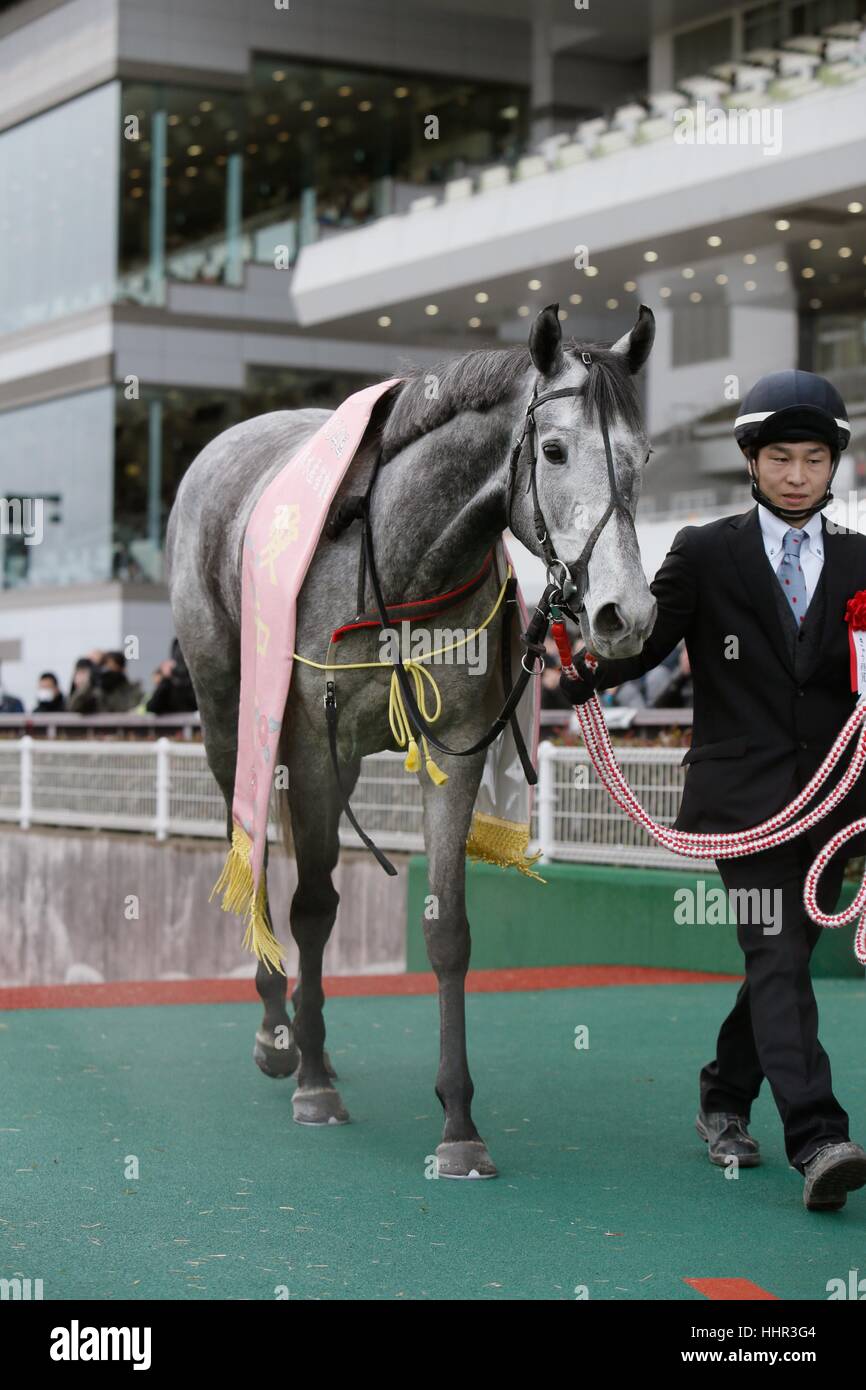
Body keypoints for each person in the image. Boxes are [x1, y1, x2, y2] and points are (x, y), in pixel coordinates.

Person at [560, 368, 866, 1212]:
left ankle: (724, 1096)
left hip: (839, 805)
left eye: (813, 458)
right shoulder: (704, 550)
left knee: (786, 960)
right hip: (742, 804)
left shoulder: (862, 561)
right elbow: (644, 646)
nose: (798, 474)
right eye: (781, 457)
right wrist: (584, 662)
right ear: (751, 461)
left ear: (834, 464)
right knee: (776, 950)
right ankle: (820, 1137)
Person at [69, 650, 143, 714]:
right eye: (105, 667)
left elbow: (131, 710)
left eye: (112, 668)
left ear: (122, 669)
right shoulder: (96, 691)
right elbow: (74, 707)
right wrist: (90, 684)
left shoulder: (132, 690)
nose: (107, 672)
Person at [145, 638, 198, 715]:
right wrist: (166, 679)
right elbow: (151, 707)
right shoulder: (169, 683)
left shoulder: (196, 683)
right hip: (171, 724)